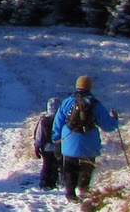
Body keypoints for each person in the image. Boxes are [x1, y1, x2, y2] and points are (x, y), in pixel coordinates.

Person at [53, 74, 120, 204]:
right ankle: (84, 189)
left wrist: (56, 139)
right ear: (90, 87)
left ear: (77, 87)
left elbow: (58, 122)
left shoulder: (67, 102)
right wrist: (115, 120)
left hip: (69, 141)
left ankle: (70, 193)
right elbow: (108, 125)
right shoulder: (95, 104)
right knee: (86, 167)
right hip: (89, 141)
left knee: (70, 167)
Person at [32, 97, 62, 190]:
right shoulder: (62, 119)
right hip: (60, 147)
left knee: (46, 165)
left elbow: (39, 134)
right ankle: (55, 182)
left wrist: (37, 146)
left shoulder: (44, 120)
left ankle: (45, 183)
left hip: (46, 147)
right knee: (58, 165)